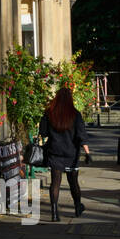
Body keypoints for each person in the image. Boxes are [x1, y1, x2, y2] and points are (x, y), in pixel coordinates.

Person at [39, 87, 90, 222]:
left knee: (55, 183)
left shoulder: (49, 113)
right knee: (73, 182)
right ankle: (78, 206)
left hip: (55, 152)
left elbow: (43, 133)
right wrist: (87, 152)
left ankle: (55, 213)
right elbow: (81, 135)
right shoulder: (75, 114)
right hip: (71, 154)